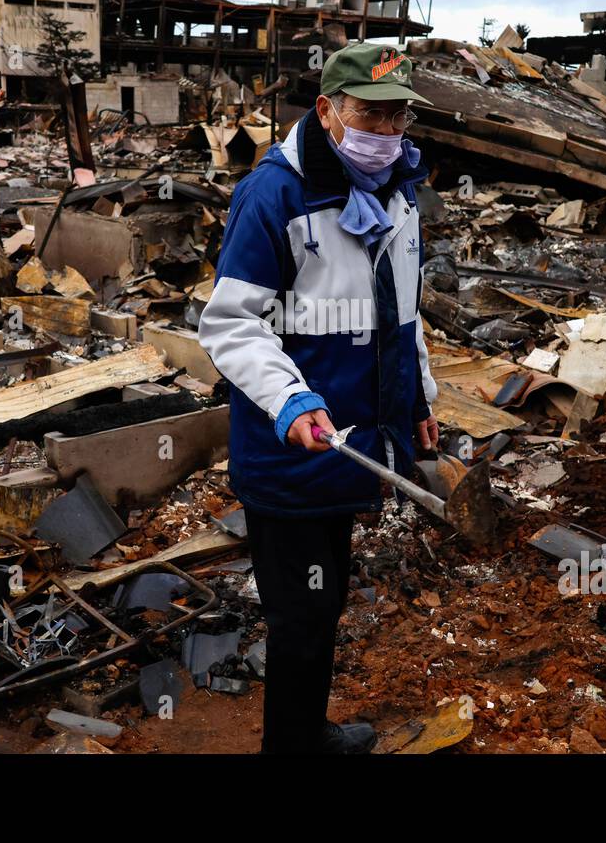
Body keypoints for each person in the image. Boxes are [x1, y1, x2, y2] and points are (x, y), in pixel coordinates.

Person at [198, 42, 439, 753]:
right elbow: (231, 323)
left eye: (400, 115)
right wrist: (292, 402)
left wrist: (415, 400)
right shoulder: (274, 194)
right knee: (302, 617)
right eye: (372, 112)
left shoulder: (398, 189)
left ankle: (309, 735)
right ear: (329, 110)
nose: (388, 130)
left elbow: (401, 315)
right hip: (295, 453)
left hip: (355, 449)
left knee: (322, 604)